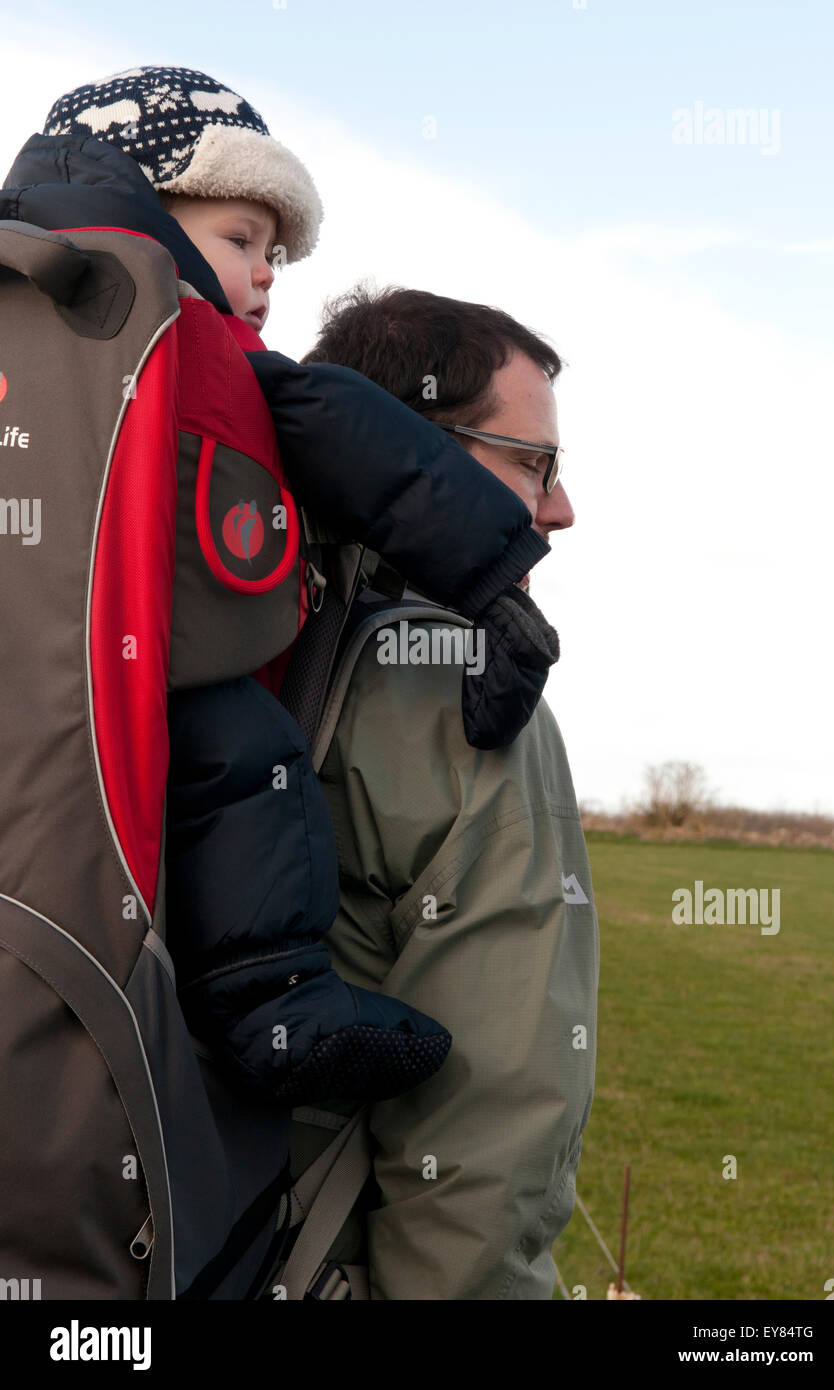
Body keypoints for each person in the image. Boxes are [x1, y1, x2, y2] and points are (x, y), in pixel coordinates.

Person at [1, 66, 556, 1109]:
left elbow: (374, 458)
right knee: (252, 764)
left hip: (82, 683)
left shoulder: (198, 360)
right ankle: (274, 1002)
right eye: (240, 238)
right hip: (160, 674)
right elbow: (376, 450)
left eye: (274, 252)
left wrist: (492, 583)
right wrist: (498, 577)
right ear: (147, 210)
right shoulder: (202, 349)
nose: (264, 276)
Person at [288, 286, 601, 1300]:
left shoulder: (224, 626)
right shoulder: (466, 696)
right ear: (416, 453)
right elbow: (486, 1141)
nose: (558, 508)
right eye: (531, 463)